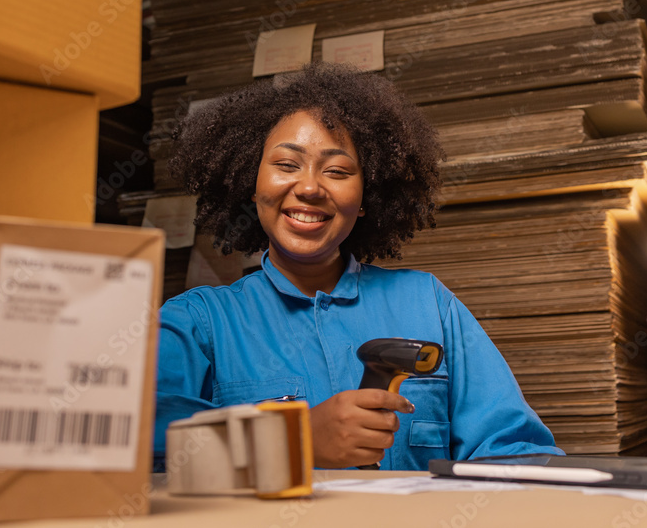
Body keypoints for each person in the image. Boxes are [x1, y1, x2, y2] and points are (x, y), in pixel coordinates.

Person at [154, 62, 562, 471]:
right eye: (286, 165)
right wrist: (294, 441)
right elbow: (142, 457)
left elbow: (513, 452)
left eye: (337, 171)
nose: (311, 187)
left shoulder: (429, 304)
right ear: (251, 182)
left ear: (367, 196)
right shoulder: (196, 323)